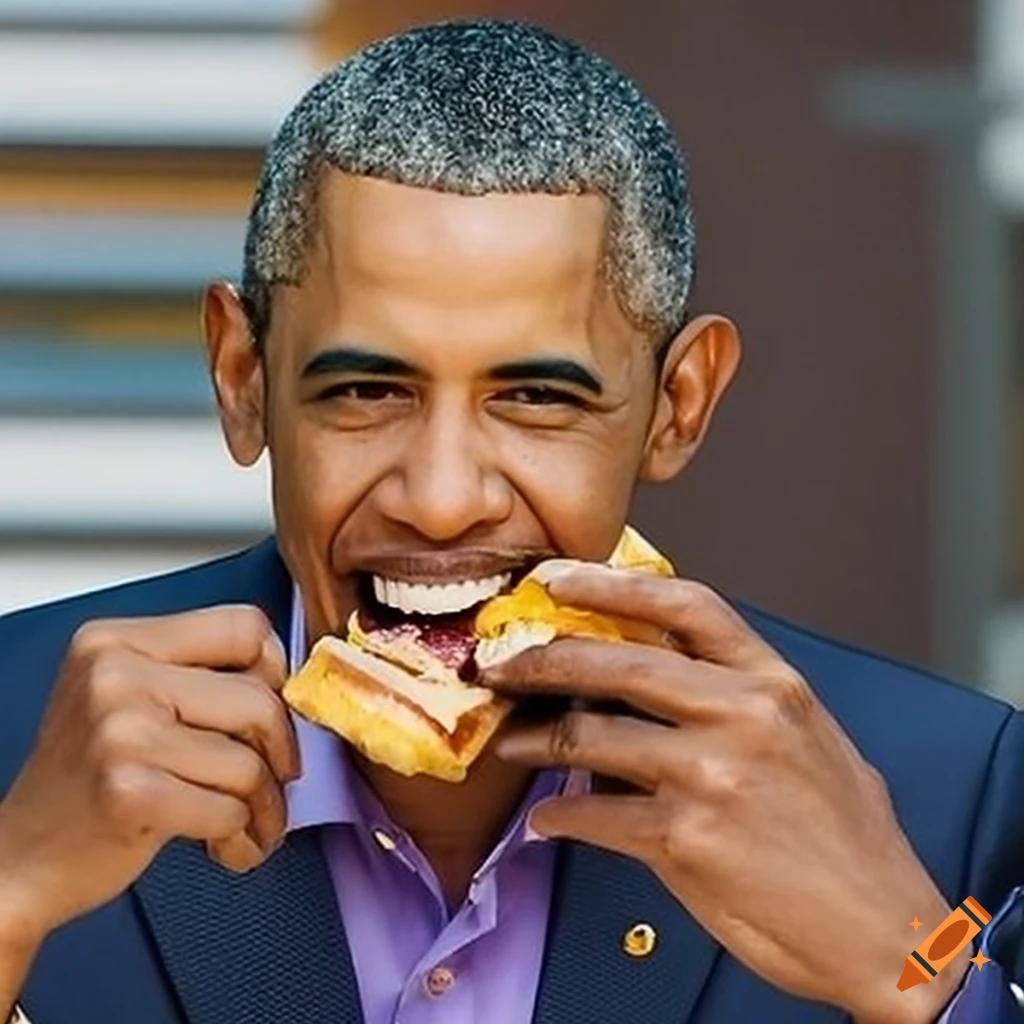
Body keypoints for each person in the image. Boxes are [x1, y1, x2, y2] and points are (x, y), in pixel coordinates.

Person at [0, 19, 1021, 1024]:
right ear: (242, 379)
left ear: (679, 405)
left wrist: (913, 969)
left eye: (537, 398)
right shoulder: (19, 741)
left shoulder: (958, 795)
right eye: (366, 391)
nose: (442, 500)